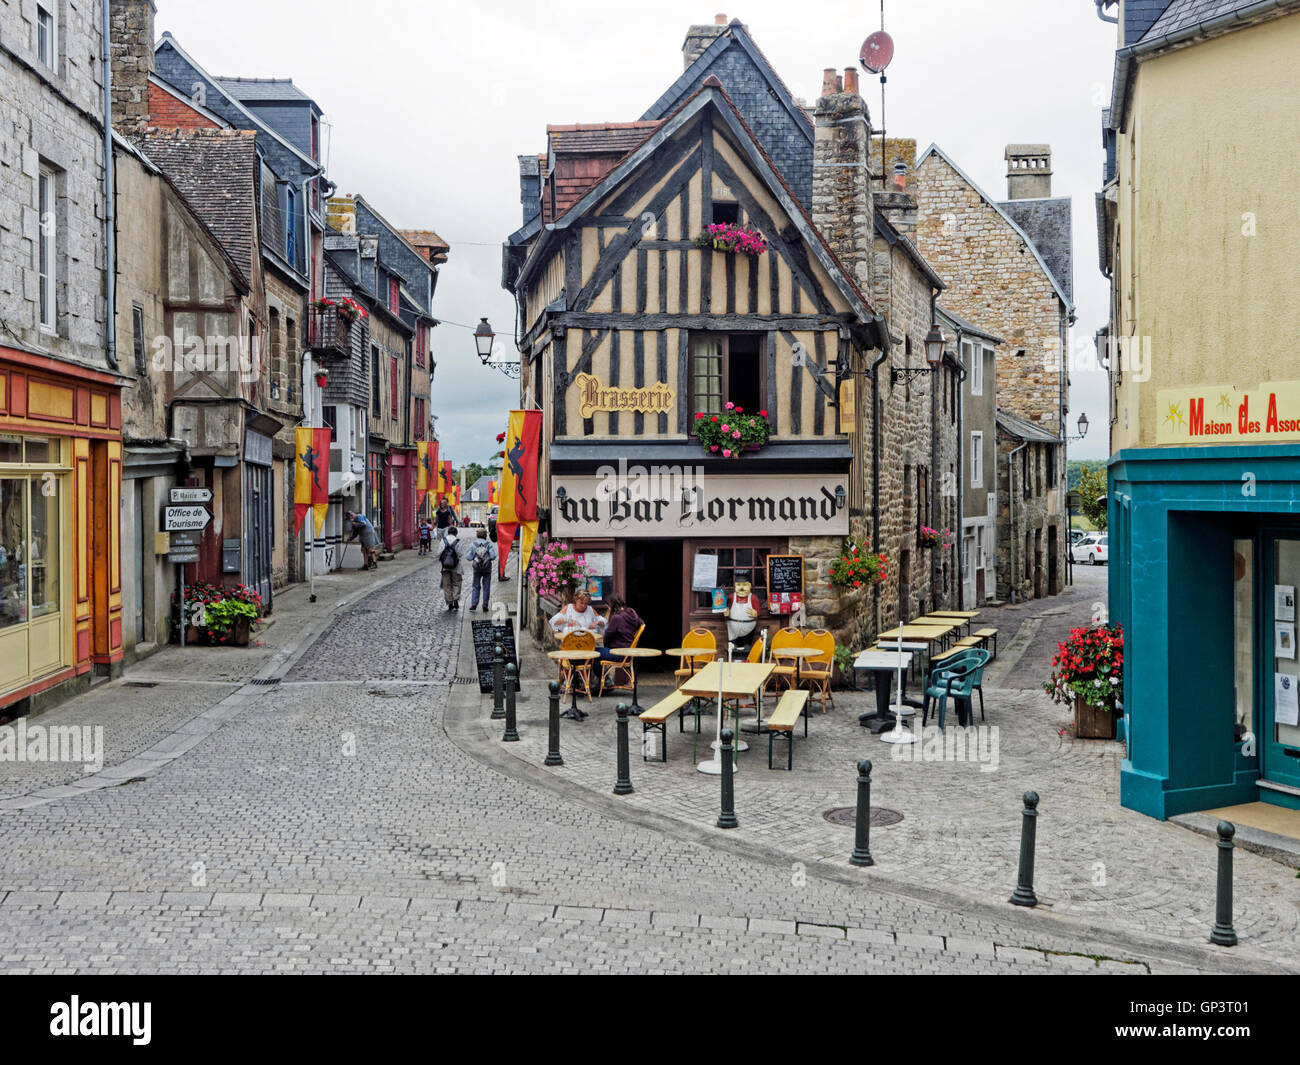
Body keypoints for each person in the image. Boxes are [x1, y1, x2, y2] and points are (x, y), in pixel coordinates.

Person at [598, 595, 643, 661]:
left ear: (611, 606)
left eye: (608, 607)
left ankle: (601, 671)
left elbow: (607, 636)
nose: (608, 609)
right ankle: (603, 671)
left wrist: (607, 645)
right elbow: (642, 624)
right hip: (630, 652)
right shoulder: (631, 612)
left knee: (594, 653)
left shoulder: (616, 617)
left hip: (619, 653)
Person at [466, 528, 497, 612]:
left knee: (476, 586)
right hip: (487, 568)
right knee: (486, 586)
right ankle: (485, 605)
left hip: (477, 568)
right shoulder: (488, 544)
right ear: (485, 535)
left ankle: (474, 604)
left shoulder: (473, 544)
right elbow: (493, 556)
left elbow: (468, 557)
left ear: (477, 535)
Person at [438, 527, 463, 610]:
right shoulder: (457, 541)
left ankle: (449, 602)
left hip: (445, 566)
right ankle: (455, 599)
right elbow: (460, 553)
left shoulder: (443, 540)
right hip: (456, 566)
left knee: (446, 584)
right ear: (456, 533)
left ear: (448, 532)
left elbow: (439, 553)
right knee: (457, 582)